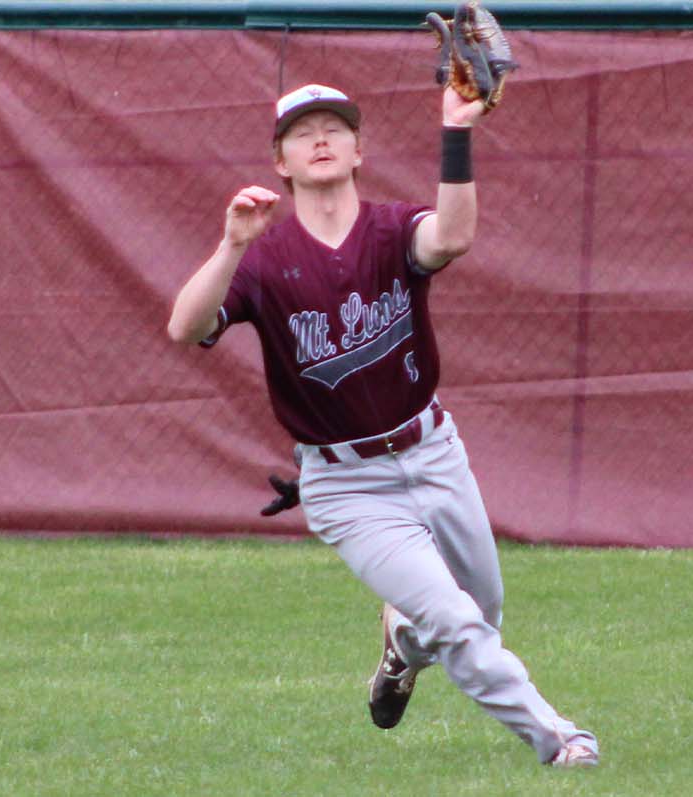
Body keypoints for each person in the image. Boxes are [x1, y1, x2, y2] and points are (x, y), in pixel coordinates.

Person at [166, 81, 599, 768]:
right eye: (302, 131)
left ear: (359, 150)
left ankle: (403, 641)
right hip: (347, 485)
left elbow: (452, 235)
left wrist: (456, 131)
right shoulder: (264, 260)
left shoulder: (393, 230)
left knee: (480, 610)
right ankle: (561, 741)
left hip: (434, 451)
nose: (320, 138)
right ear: (280, 160)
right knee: (455, 619)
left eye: (335, 128)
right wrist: (229, 245)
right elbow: (186, 327)